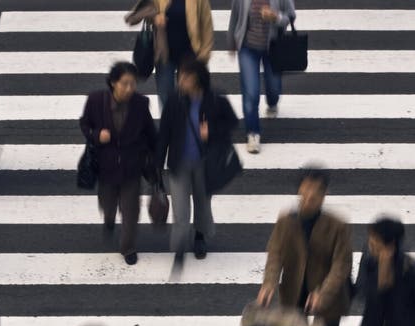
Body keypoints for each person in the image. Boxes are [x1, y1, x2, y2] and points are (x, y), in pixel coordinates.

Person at [257, 167, 353, 326]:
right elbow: (275, 255)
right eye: (307, 187)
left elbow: (341, 265)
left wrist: (323, 293)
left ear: (324, 194)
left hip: (327, 295)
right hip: (294, 288)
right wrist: (269, 283)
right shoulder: (286, 221)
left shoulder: (338, 226)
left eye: (316, 190)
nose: (310, 194)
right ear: (299, 188)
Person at [156, 57, 238, 267]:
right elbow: (164, 133)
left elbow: (231, 123)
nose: (180, 80)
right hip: (178, 162)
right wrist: (156, 164)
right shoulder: (174, 100)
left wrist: (211, 132)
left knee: (202, 204)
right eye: (180, 75)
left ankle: (200, 237)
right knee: (180, 209)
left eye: (186, 76)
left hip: (204, 162)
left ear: (198, 78)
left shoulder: (215, 100)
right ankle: (180, 247)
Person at [79, 61, 157, 265]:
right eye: (125, 83)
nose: (130, 88)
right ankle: (109, 218)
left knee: (131, 211)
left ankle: (128, 247)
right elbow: (84, 124)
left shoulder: (140, 104)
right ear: (113, 82)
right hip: (106, 167)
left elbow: (150, 132)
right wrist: (96, 135)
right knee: (108, 202)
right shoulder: (96, 101)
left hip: (132, 167)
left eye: (133, 84)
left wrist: (155, 158)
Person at [227, 0, 296, 153]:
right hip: (247, 48)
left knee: (273, 88)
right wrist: (231, 41)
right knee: (250, 93)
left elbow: (291, 15)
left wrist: (276, 17)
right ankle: (253, 133)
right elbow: (235, 16)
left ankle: (272, 102)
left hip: (274, 47)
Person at [125, 0, 213, 110]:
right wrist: (154, 17)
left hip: (190, 55)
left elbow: (206, 24)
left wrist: (204, 55)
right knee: (165, 96)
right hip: (165, 55)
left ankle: (190, 124)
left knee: (191, 96)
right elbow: (136, 15)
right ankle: (169, 125)